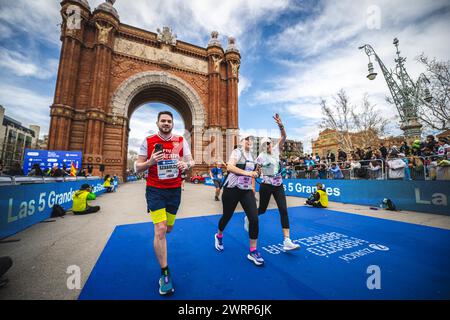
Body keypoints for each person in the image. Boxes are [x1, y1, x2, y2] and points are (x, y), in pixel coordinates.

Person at [135, 111, 194, 296]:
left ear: (172, 123)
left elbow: (191, 160)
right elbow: (137, 166)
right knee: (160, 230)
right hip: (155, 190)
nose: (166, 123)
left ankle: (163, 239)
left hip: (174, 190)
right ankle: (165, 272)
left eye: (169, 121)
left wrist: (187, 165)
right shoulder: (149, 140)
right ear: (157, 122)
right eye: (163, 121)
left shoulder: (180, 141)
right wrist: (151, 161)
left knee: (168, 229)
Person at [250, 114, 300, 251]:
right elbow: (255, 172)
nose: (268, 145)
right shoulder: (260, 157)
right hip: (266, 186)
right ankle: (250, 217)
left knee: (283, 210)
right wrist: (253, 187)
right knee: (262, 210)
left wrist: (280, 125)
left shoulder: (277, 149)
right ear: (262, 146)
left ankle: (287, 240)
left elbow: (283, 136)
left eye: (269, 143)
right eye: (265, 144)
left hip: (278, 186)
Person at [215, 135, 264, 266]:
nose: (249, 141)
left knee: (254, 218)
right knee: (227, 216)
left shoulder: (253, 157)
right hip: (232, 189)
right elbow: (230, 167)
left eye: (251, 140)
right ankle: (219, 236)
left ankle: (253, 251)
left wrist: (254, 180)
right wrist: (248, 173)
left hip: (246, 190)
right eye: (246, 139)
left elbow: (255, 173)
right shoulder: (237, 152)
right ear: (242, 142)